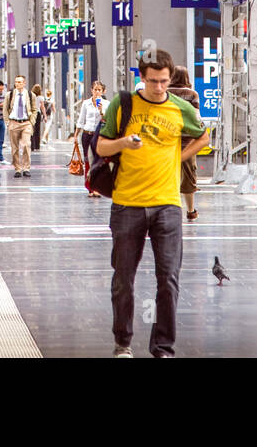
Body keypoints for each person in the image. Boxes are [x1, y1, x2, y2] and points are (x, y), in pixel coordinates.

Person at [97, 49, 208, 358]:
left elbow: (203, 136)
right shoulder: (124, 104)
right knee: (123, 278)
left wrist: (178, 158)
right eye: (152, 82)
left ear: (170, 78)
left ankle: (162, 347)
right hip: (127, 204)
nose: (159, 88)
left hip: (168, 205)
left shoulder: (180, 108)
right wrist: (123, 143)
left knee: (168, 278)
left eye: (163, 81)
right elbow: (101, 145)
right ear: (141, 78)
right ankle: (123, 341)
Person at [168, 68, 202, 222]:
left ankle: (169, 208)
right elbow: (196, 117)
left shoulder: (165, 93)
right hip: (188, 140)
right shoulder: (192, 94)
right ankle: (190, 210)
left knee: (168, 174)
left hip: (168, 138)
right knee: (189, 174)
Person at [75, 80, 108, 198]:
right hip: (87, 134)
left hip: (99, 134)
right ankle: (90, 187)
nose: (97, 92)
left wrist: (101, 110)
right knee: (88, 160)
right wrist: (76, 134)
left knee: (99, 161)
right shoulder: (86, 103)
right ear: (91, 90)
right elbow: (81, 119)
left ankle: (98, 188)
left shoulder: (107, 104)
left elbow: (107, 120)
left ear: (103, 91)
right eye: (95, 90)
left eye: (99, 90)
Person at [5, 75, 37, 177]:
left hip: (26, 122)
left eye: (20, 82)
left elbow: (34, 109)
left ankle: (26, 168)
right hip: (13, 122)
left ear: (24, 83)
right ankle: (17, 169)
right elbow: (5, 109)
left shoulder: (31, 95)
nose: (17, 84)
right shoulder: (9, 95)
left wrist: (32, 122)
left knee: (26, 144)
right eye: (16, 82)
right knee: (14, 148)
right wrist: (7, 122)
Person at [30, 82, 44, 152]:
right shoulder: (41, 98)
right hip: (38, 113)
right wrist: (45, 115)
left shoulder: (31, 96)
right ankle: (37, 146)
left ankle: (32, 145)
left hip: (32, 113)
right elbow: (42, 107)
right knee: (37, 130)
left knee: (32, 129)